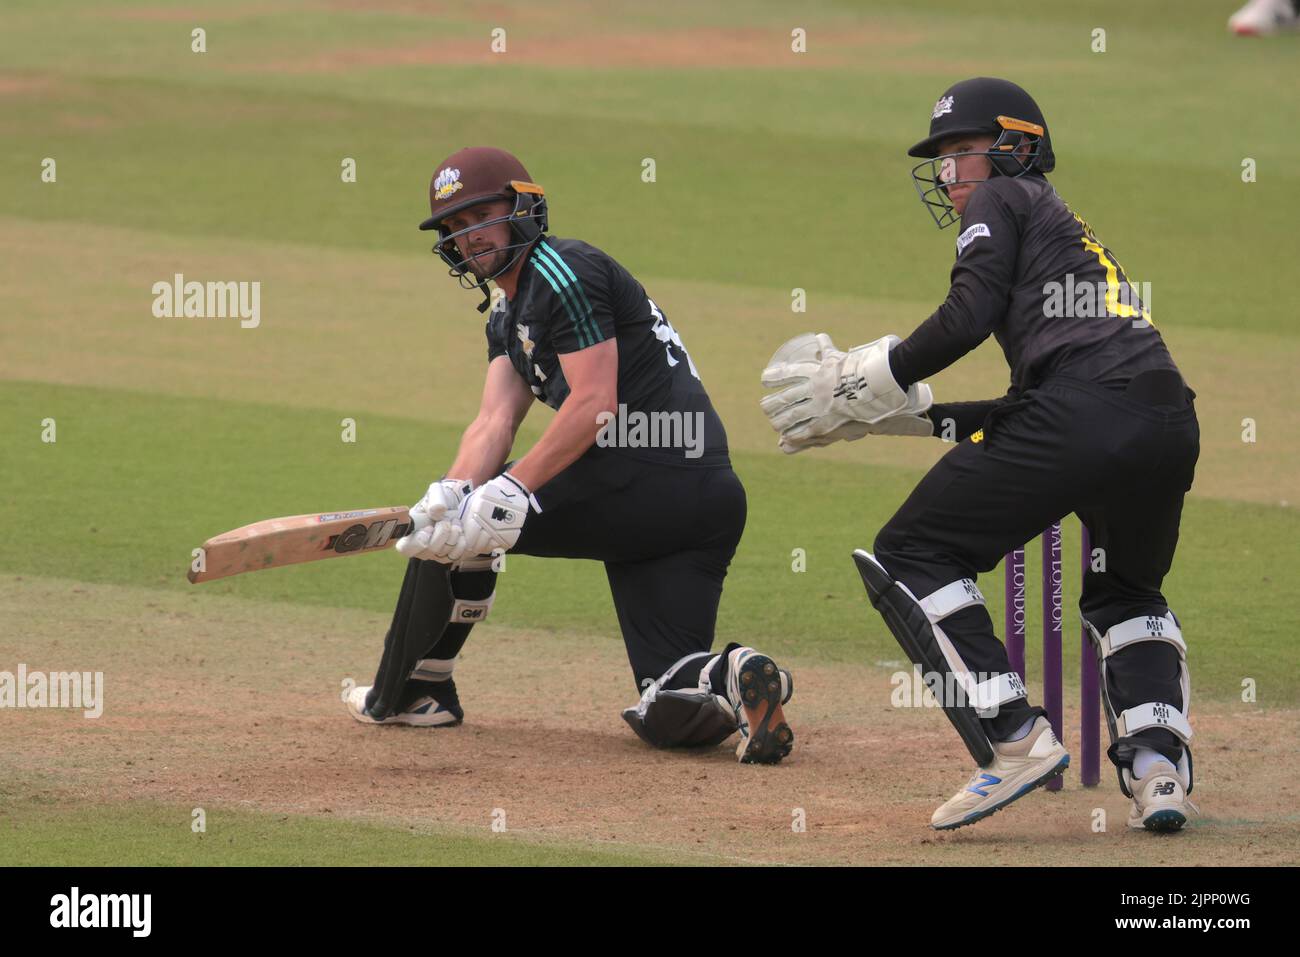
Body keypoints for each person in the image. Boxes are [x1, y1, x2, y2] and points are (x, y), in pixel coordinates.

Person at [760, 78, 1199, 829]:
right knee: (1127, 593)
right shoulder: (1066, 233)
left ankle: (1013, 734)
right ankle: (1160, 766)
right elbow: (1043, 408)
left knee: (913, 549)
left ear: (1015, 149)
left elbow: (970, 316)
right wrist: (912, 417)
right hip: (1165, 420)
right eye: (943, 159)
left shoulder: (1007, 198)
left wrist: (871, 377)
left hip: (1084, 414)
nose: (950, 173)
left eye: (963, 152)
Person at [344, 146, 794, 765]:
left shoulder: (562, 270)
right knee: (667, 701)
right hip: (695, 502)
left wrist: (510, 492)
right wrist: (449, 489)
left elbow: (595, 403)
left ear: (523, 207)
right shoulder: (507, 313)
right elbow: (495, 420)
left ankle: (411, 693)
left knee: (464, 529)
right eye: (452, 229)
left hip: (648, 467)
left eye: (479, 217)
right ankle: (733, 676)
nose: (466, 237)